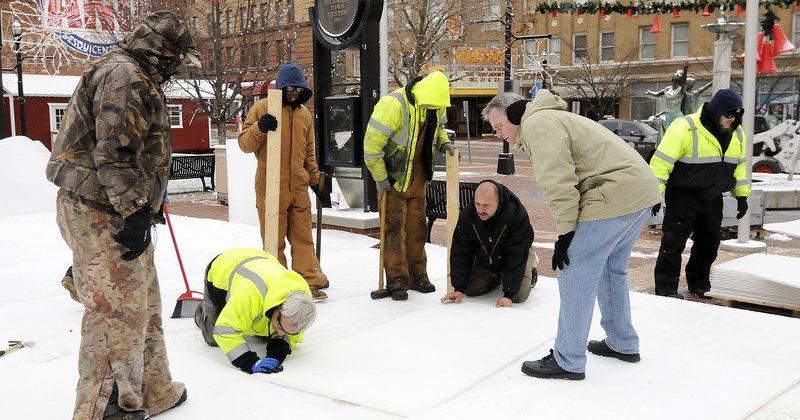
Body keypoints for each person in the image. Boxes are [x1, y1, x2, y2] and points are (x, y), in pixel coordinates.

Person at [45, 11, 200, 419]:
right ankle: (107, 408)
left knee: (142, 301)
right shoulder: (125, 77)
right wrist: (134, 211)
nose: (179, 68)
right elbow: (113, 153)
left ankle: (154, 389)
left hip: (114, 205)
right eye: (178, 60)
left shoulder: (133, 72)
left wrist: (147, 202)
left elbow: (137, 149)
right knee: (115, 315)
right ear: (163, 53)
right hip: (102, 211)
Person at [482, 90, 660, 380]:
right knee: (610, 269)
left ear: (515, 114)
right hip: (639, 192)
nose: (500, 134)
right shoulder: (553, 118)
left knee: (573, 271)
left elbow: (559, 184)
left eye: (499, 127)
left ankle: (568, 360)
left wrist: (566, 235)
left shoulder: (539, 125)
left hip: (614, 194)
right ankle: (622, 342)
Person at [239, 62, 329, 300]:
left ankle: (308, 281)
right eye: (289, 87)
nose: (294, 92)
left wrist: (316, 181)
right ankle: (277, 283)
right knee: (273, 240)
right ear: (281, 86)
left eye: (297, 88)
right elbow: (245, 144)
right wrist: (260, 127)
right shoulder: (262, 108)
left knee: (303, 238)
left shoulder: (304, 114)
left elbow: (309, 150)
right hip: (271, 186)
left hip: (298, 187)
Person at [363, 71, 456, 301]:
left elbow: (439, 130)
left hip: (418, 177)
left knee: (417, 228)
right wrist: (380, 177)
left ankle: (418, 275)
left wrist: (444, 143)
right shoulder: (393, 105)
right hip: (393, 179)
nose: (434, 107)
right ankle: (397, 279)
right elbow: (371, 146)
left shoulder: (434, 105)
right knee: (394, 229)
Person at [650, 89, 749, 299]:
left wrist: (742, 195)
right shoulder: (685, 127)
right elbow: (660, 163)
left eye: (736, 117)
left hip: (713, 197)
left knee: (709, 243)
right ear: (716, 111)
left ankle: (699, 284)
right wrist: (654, 195)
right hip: (683, 195)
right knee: (673, 242)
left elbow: (739, 166)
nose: (731, 121)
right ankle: (666, 289)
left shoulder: (737, 133)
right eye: (728, 116)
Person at [194, 248, 317, 374]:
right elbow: (224, 330)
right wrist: (250, 362)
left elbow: (289, 335)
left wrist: (276, 354)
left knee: (265, 332)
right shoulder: (250, 293)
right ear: (279, 306)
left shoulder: (301, 304)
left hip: (260, 263)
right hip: (222, 269)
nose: (280, 333)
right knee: (212, 338)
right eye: (280, 326)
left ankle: (248, 315)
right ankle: (202, 311)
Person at [441, 180, 538, 308]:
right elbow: (461, 250)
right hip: (488, 255)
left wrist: (508, 294)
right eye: (477, 204)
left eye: (486, 205)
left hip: (517, 253)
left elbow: (517, 254)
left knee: (517, 296)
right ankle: (498, 276)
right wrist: (459, 288)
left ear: (499, 202)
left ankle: (531, 268)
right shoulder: (469, 214)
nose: (480, 210)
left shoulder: (516, 214)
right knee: (470, 289)